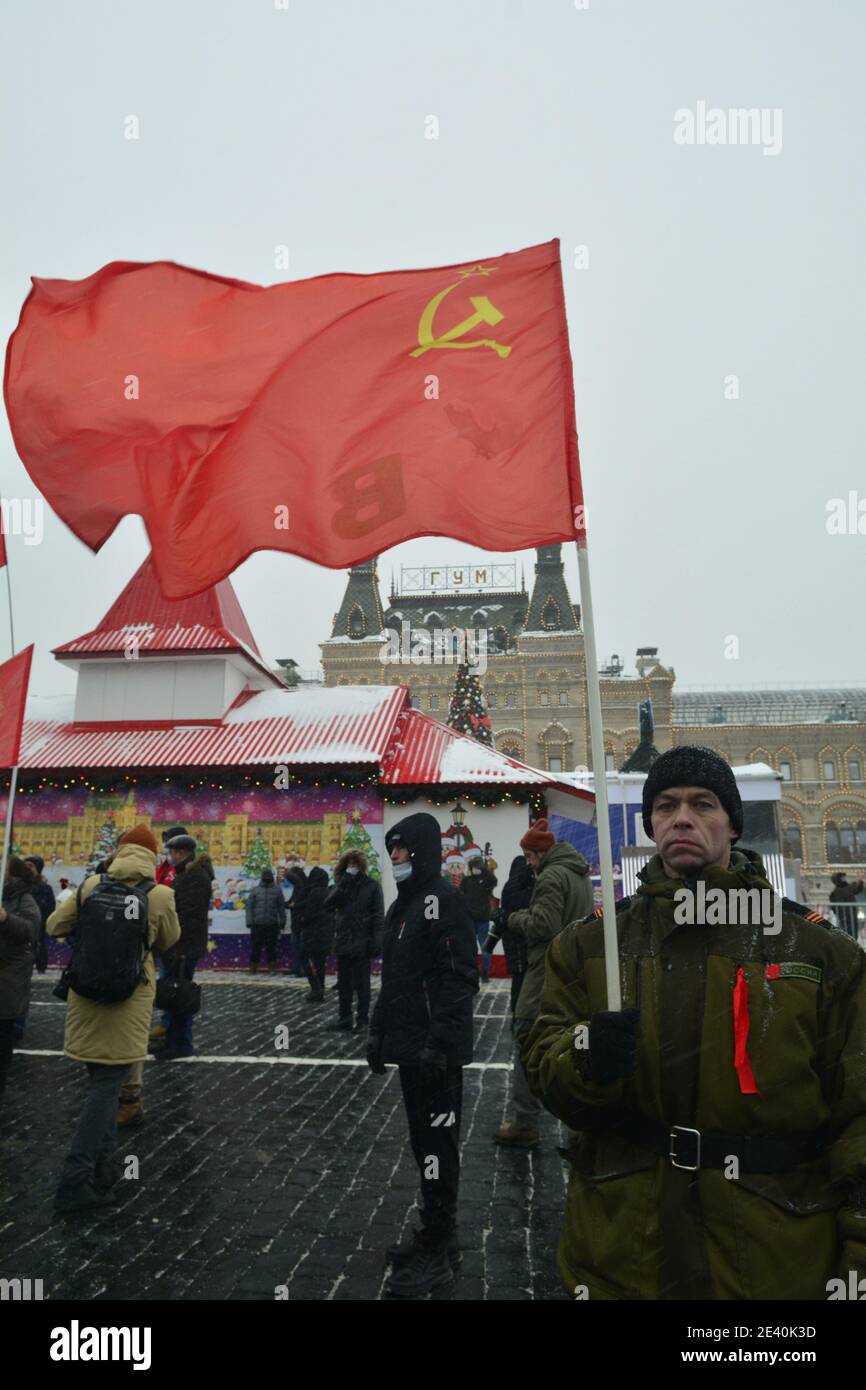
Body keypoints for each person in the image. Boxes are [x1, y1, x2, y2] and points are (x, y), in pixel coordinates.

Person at [524, 745, 866, 1300]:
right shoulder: (592, 945)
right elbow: (544, 1065)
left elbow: (859, 1114)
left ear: (732, 825)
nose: (681, 817)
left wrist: (857, 1261)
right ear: (651, 824)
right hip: (626, 1250)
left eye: (703, 804)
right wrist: (585, 1058)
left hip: (772, 1258)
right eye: (665, 806)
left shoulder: (820, 951)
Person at [368, 812, 478, 1298]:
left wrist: (440, 1042)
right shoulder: (404, 907)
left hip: (436, 1054)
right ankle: (433, 1233)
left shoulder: (442, 902)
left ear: (422, 850)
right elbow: (394, 980)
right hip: (411, 1050)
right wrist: (378, 1033)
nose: (394, 858)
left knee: (438, 1148)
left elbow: (459, 978)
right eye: (391, 849)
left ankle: (441, 1243)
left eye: (402, 849)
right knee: (423, 1146)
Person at [46, 825, 180, 1213]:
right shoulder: (160, 894)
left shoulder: (89, 886)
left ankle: (105, 1172)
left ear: (120, 852)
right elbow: (168, 941)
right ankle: (74, 1183)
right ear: (153, 855)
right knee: (106, 1092)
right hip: (127, 1001)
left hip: (87, 996)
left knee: (101, 1084)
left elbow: (55, 926)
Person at [494, 819, 592, 1149]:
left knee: (526, 1039)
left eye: (529, 856)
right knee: (573, 1048)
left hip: (544, 972)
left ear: (540, 852)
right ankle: (579, 1128)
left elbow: (543, 924)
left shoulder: (551, 875)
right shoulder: (578, 873)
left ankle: (525, 1122)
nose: (528, 863)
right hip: (574, 972)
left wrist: (513, 918)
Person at [157, 833, 213, 1061]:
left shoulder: (195, 877)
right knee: (174, 993)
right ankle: (173, 1039)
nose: (170, 857)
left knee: (180, 994)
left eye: (172, 853)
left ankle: (180, 1043)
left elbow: (187, 915)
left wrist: (178, 945)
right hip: (179, 944)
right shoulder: (188, 875)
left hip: (183, 946)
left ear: (182, 853)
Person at [325, 850, 384, 1030]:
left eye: (355, 864)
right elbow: (328, 904)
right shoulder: (341, 884)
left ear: (361, 866)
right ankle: (345, 1018)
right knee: (344, 984)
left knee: (363, 985)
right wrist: (343, 884)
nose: (352, 868)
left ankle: (363, 1019)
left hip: (362, 941)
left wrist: (376, 941)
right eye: (349, 864)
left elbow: (378, 916)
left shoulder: (372, 886)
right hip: (344, 940)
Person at [0, 858, 41, 1107]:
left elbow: (30, 930)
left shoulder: (24, 899)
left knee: (2, 1040)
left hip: (7, 978)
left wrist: (5, 919)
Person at [484, 854, 533, 1015]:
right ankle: (522, 1014)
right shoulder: (531, 886)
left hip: (510, 939)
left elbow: (503, 915)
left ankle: (516, 1013)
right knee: (526, 979)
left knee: (518, 978)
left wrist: (490, 943)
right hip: (526, 938)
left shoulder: (509, 887)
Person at [295, 867, 333, 1003]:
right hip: (326, 933)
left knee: (304, 958)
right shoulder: (328, 892)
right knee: (320, 962)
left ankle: (316, 988)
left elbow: (309, 913)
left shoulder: (314, 892)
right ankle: (320, 989)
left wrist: (302, 919)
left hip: (313, 933)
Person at [459, 848, 497, 982]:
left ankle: (485, 973)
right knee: (469, 948)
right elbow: (460, 895)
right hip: (469, 919)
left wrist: (485, 869)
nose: (475, 869)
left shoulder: (487, 880)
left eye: (477, 867)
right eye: (473, 867)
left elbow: (494, 881)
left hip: (483, 920)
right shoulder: (467, 881)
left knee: (485, 947)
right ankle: (471, 973)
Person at [245, 867, 287, 974]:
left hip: (272, 924)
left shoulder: (277, 890)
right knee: (256, 947)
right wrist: (249, 922)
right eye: (265, 876)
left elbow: (281, 908)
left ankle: (272, 968)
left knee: (271, 948)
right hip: (257, 924)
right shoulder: (255, 891)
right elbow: (249, 907)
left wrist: (282, 921)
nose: (267, 877)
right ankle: (253, 968)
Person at [829, 872, 864, 938]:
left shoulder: (846, 888)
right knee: (848, 935)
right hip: (845, 917)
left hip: (850, 915)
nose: (844, 879)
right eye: (842, 878)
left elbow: (857, 889)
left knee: (852, 934)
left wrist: (860, 881)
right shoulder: (837, 891)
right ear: (838, 879)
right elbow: (835, 907)